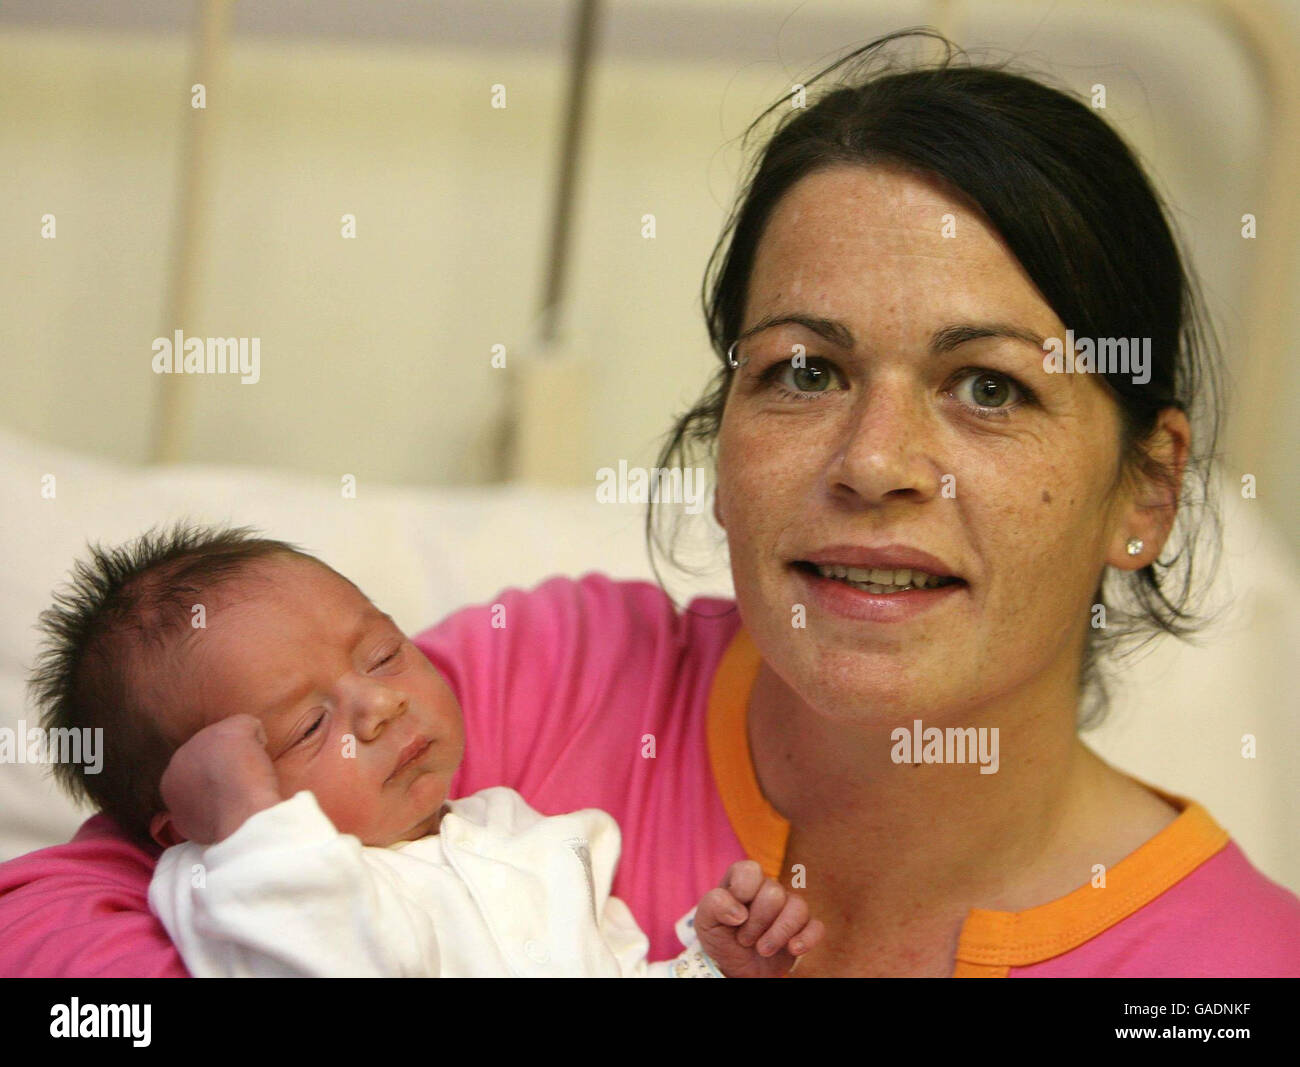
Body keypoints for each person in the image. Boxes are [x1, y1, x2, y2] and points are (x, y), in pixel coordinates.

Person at [2, 28, 1297, 977]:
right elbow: (47, 940)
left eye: (990, 387)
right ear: (723, 439)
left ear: (1145, 492)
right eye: (805, 369)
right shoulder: (552, 684)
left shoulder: (1222, 974)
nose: (877, 459)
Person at [29, 525, 824, 978]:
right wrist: (246, 826)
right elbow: (319, 954)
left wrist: (706, 966)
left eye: (382, 654)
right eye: (308, 727)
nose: (381, 705)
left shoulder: (529, 840)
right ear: (195, 815)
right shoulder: (237, 889)